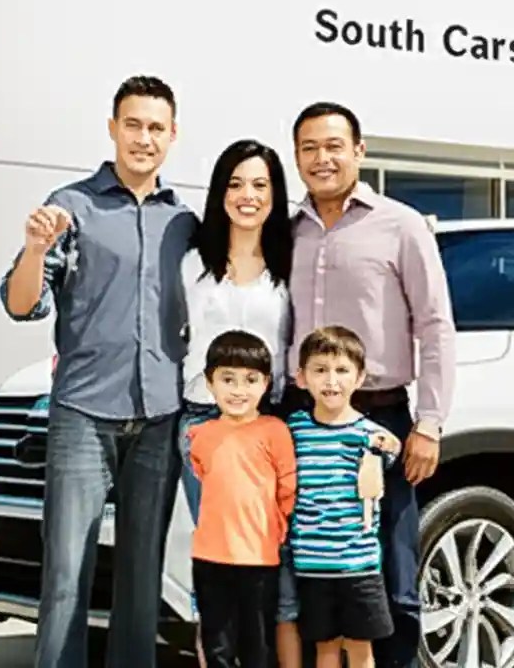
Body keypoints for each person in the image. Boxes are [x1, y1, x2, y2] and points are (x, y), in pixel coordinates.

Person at [0, 75, 197, 668]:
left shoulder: (184, 221)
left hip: (160, 417)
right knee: (65, 573)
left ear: (173, 135)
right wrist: (34, 250)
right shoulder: (70, 205)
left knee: (141, 578)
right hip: (83, 414)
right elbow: (19, 303)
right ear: (112, 129)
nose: (144, 138)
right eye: (132, 124)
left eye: (156, 127)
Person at [286, 101, 457, 668]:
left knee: (391, 571)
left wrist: (429, 423)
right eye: (309, 148)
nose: (322, 158)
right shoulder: (286, 232)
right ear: (296, 156)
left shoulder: (401, 225)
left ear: (359, 150)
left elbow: (435, 325)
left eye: (334, 145)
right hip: (300, 419)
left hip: (380, 419)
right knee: (308, 574)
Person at [177, 138, 299, 666]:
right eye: (235, 183)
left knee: (275, 567)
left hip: (268, 427)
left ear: (275, 195)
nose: (247, 195)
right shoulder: (191, 264)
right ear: (219, 192)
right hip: (203, 424)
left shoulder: (290, 265)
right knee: (218, 572)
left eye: (260, 185)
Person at [286, 326, 404, 668]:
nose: (331, 381)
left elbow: (393, 452)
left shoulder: (370, 433)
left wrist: (389, 446)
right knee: (325, 648)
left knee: (359, 647)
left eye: (342, 371)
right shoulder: (296, 429)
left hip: (358, 564)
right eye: (320, 370)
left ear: (359, 378)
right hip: (311, 563)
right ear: (302, 378)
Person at [188, 330, 297, 668]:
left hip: (260, 559)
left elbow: (287, 487)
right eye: (228, 379)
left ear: (266, 383)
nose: (238, 390)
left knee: (257, 646)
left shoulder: (274, 431)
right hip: (209, 558)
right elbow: (204, 481)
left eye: (250, 380)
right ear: (210, 383)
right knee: (217, 644)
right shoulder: (200, 436)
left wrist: (277, 529)